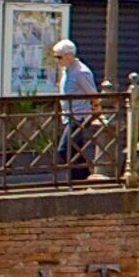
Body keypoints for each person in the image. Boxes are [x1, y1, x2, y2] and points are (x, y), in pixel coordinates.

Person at [52, 40, 101, 180]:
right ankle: (78, 180)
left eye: (59, 57)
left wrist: (95, 111)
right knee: (74, 149)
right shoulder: (67, 70)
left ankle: (84, 175)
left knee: (64, 149)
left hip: (79, 117)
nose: (57, 60)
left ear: (69, 55)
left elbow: (93, 95)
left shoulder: (81, 72)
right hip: (68, 116)